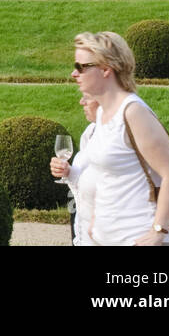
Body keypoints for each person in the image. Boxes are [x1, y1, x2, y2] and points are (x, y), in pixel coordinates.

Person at [50, 31, 169, 246]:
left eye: (80, 67)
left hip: (135, 237)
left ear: (106, 69)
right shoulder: (104, 114)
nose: (74, 74)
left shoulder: (133, 112)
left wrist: (158, 231)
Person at [64, 95, 100, 247]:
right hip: (83, 219)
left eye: (88, 97)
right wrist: (68, 172)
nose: (81, 102)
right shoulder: (91, 130)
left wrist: (158, 229)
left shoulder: (123, 130)